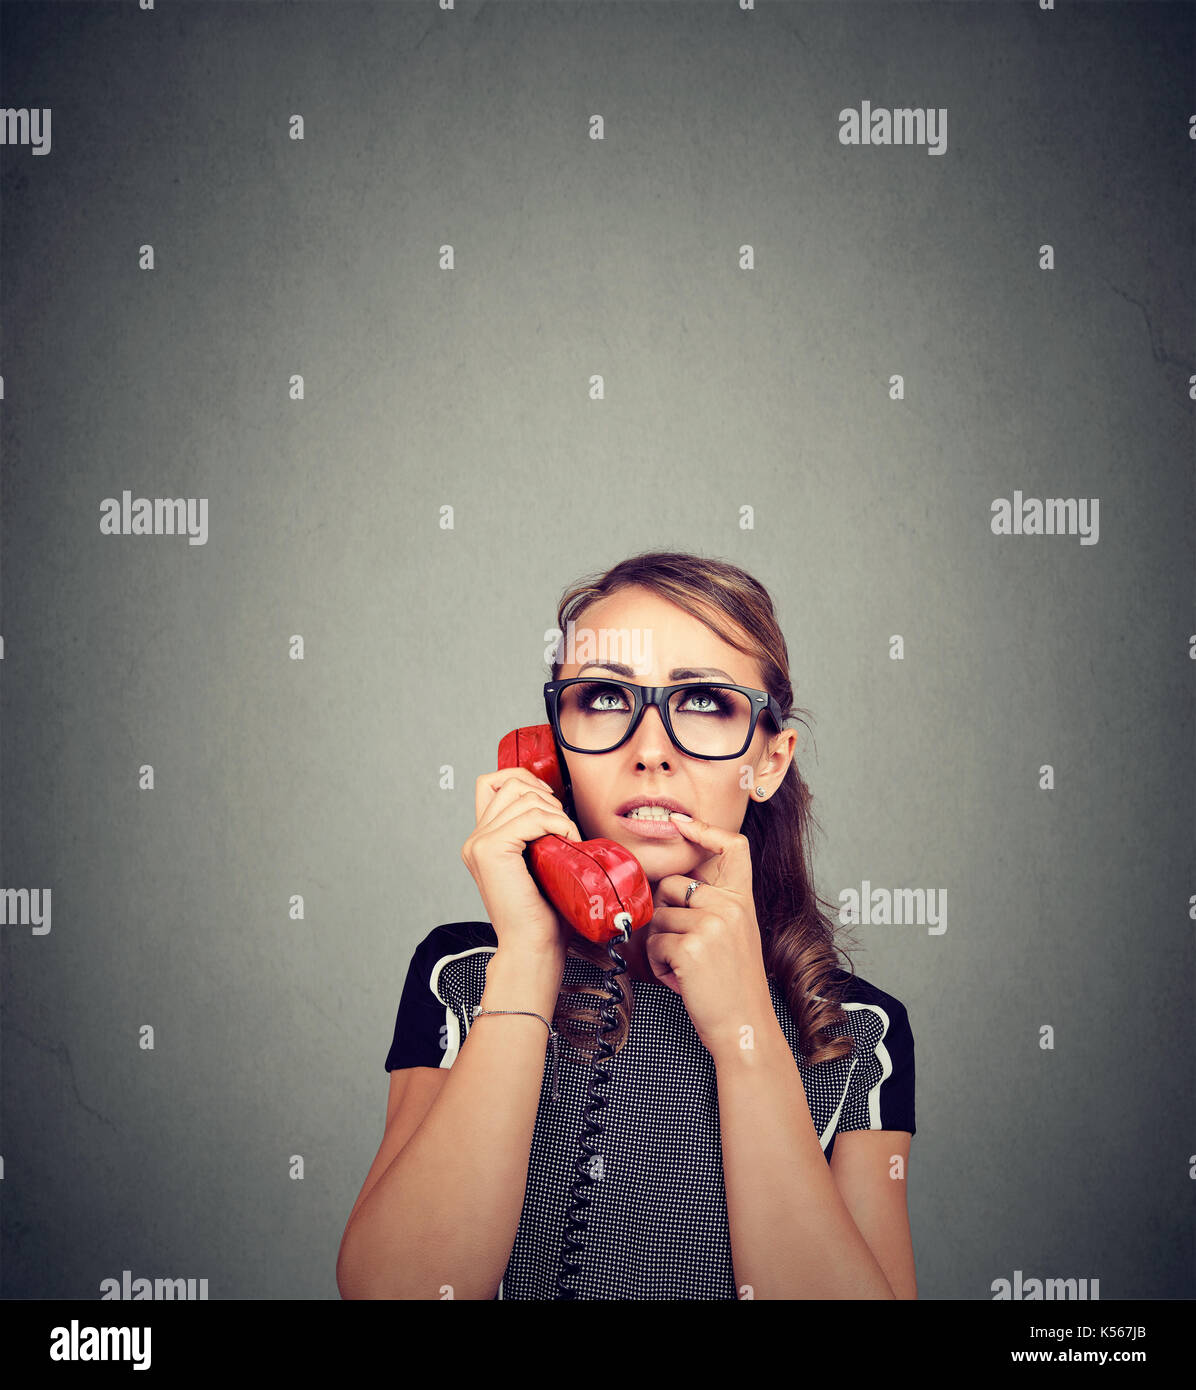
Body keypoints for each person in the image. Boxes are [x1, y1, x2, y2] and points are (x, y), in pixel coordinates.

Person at [336, 550, 916, 1300]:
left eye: (705, 701)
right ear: (550, 746)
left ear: (770, 759)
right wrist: (530, 960)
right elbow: (396, 1292)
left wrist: (746, 1033)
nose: (651, 753)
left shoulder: (859, 1030)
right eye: (605, 697)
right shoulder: (466, 977)